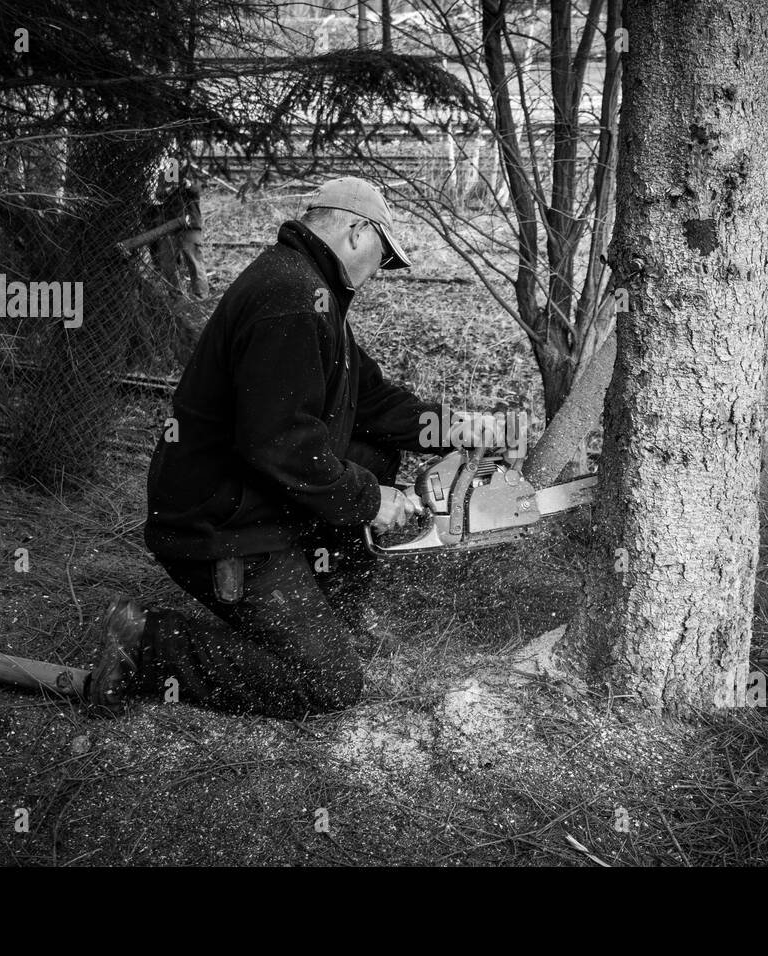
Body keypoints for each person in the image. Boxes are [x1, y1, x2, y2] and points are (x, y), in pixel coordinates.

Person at [87, 177, 503, 718]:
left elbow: (372, 402)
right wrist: (373, 500)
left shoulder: (309, 290)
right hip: (221, 526)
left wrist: (454, 428)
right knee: (327, 684)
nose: (376, 273)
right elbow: (281, 445)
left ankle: (327, 615)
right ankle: (148, 642)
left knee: (375, 451)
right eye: (381, 257)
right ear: (356, 231)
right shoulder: (290, 299)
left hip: (250, 502)